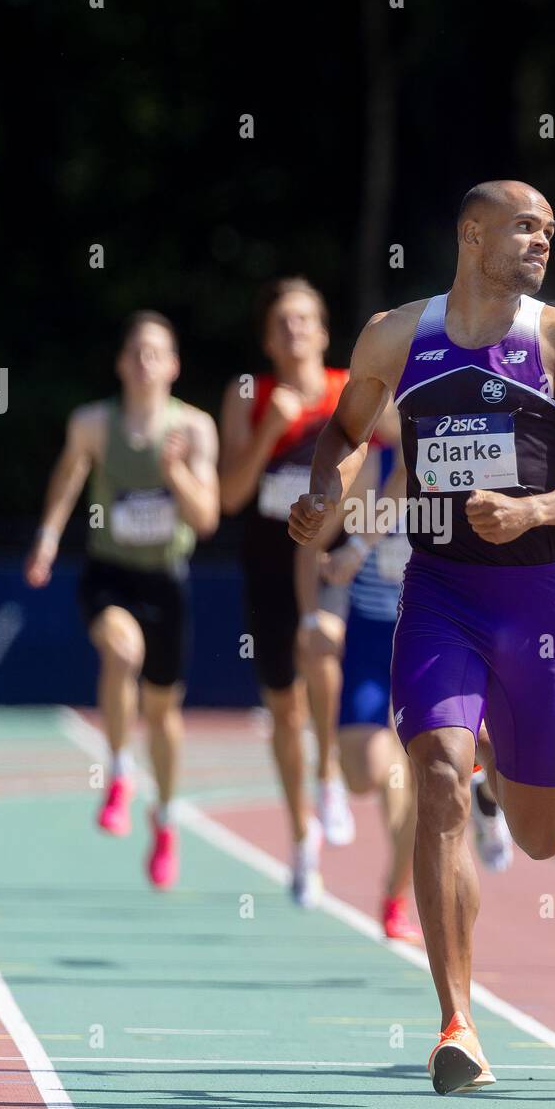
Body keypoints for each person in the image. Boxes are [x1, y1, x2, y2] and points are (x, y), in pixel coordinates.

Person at [290, 180, 555, 1094]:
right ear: (471, 234)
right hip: (439, 592)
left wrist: (535, 512)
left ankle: (499, 786)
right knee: (435, 772)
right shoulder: (395, 335)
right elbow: (345, 434)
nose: (543, 243)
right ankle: (457, 1020)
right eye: (526, 228)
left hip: (539, 605)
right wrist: (327, 491)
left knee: (540, 836)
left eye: (551, 232)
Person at [24, 311, 219, 888]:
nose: (144, 362)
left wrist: (175, 471)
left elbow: (206, 519)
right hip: (110, 573)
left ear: (174, 366)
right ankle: (117, 771)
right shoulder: (92, 424)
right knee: (121, 652)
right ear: (120, 363)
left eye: (156, 352)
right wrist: (47, 538)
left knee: (162, 715)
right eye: (135, 351)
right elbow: (66, 478)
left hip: (166, 580)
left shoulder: (196, 429)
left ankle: (164, 820)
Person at [219, 278, 355, 905]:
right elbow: (229, 496)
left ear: (323, 331)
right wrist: (267, 433)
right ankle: (302, 834)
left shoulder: (348, 388)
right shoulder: (249, 394)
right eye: (282, 321)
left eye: (306, 318)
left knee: (322, 645)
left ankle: (328, 774)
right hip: (268, 560)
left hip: (329, 555)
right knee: (283, 708)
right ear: (268, 337)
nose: (295, 330)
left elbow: (386, 462)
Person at [310, 432, 421, 940]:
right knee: (366, 772)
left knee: (431, 780)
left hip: (435, 634)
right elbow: (314, 545)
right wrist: (318, 613)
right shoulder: (368, 466)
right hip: (373, 634)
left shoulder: (463, 452)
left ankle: (396, 896)